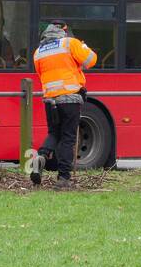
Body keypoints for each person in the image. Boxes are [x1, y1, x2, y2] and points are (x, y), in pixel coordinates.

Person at [29, 20, 97, 189]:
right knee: (68, 137)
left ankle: (41, 157)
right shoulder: (70, 44)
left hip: (50, 100)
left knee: (54, 133)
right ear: (64, 31)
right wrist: (84, 46)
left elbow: (41, 74)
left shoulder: (38, 52)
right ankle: (63, 179)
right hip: (70, 99)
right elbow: (91, 60)